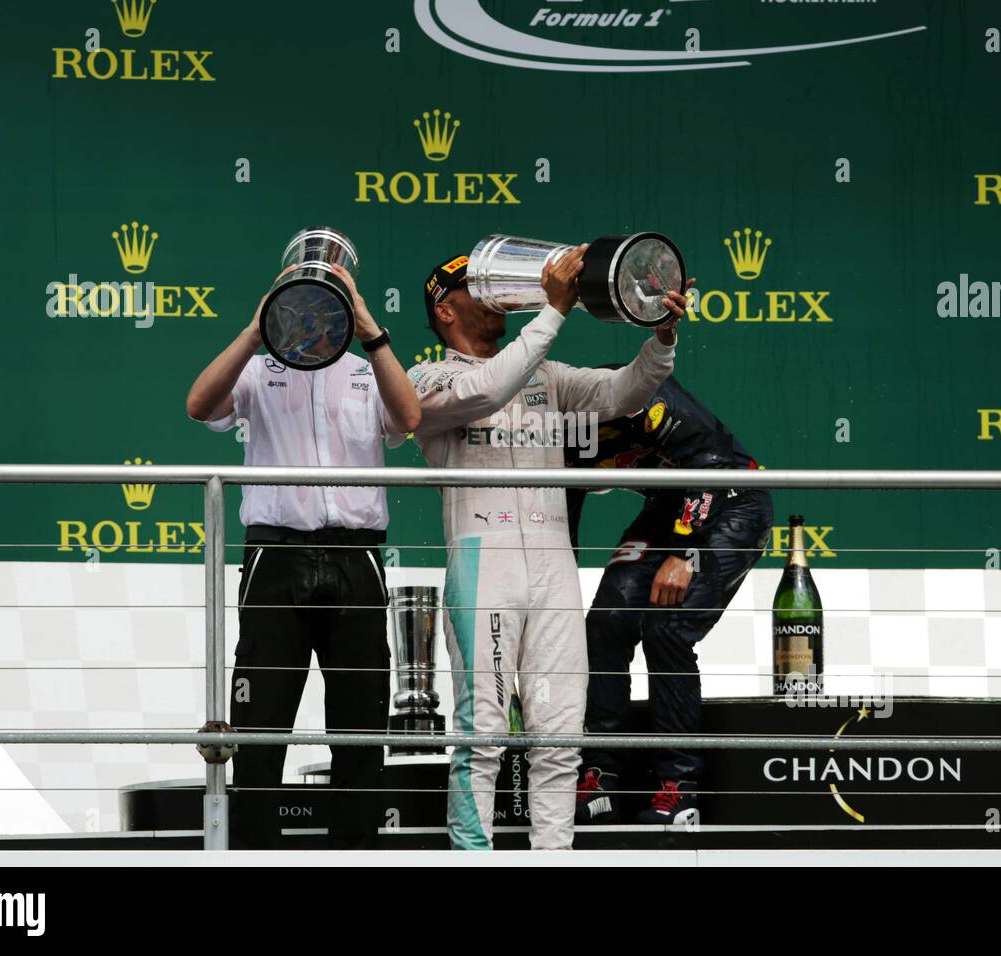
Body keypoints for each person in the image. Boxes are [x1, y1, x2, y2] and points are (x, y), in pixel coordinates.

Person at [409, 247, 687, 849]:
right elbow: (485, 391)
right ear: (445, 310)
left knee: (560, 735)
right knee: (482, 730)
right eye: (478, 289)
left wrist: (659, 334)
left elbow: (624, 392)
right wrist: (554, 311)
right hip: (485, 559)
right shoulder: (427, 379)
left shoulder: (547, 375)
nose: (496, 297)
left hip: (555, 558)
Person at [185, 262, 421, 849]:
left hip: (356, 558)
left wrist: (370, 327)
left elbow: (410, 419)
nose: (316, 308)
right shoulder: (259, 370)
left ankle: (354, 859)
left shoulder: (369, 372)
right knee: (260, 733)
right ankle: (254, 859)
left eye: (330, 297)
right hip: (276, 557)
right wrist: (255, 328)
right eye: (303, 296)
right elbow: (198, 405)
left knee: (361, 734)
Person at [566, 372, 771, 825]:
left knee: (667, 629)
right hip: (665, 509)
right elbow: (567, 505)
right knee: (603, 623)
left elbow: (711, 465)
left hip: (732, 500)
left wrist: (682, 553)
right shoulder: (562, 427)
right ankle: (600, 774)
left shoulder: (646, 399)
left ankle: (678, 790)